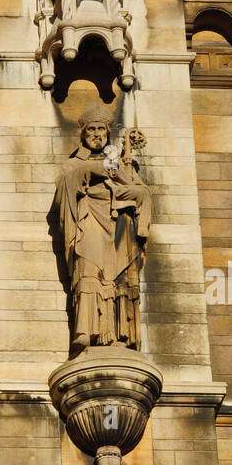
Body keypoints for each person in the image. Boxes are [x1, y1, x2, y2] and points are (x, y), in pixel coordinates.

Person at [49, 104, 151, 353]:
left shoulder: (121, 164)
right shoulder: (74, 164)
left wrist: (130, 191)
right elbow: (64, 193)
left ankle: (120, 334)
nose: (96, 134)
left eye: (101, 129)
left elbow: (142, 192)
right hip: (88, 222)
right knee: (88, 270)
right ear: (83, 134)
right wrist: (90, 170)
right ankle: (85, 330)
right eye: (91, 129)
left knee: (120, 277)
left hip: (119, 226)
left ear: (108, 132)